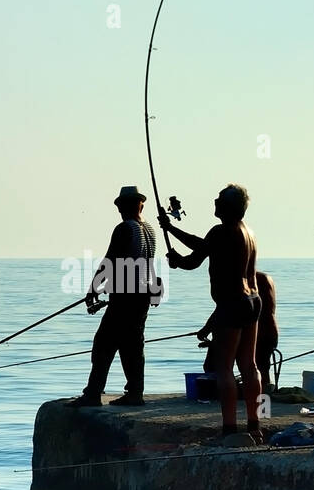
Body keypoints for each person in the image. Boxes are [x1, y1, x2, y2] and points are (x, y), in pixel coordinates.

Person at [160, 184, 262, 440]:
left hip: (233, 303)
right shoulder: (248, 232)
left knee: (224, 367)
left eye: (218, 199)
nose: (214, 201)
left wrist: (175, 251)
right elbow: (202, 249)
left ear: (227, 206)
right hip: (253, 300)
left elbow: (195, 258)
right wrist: (173, 237)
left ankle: (229, 429)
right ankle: (254, 425)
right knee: (249, 366)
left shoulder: (220, 231)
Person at [67, 185, 158, 407]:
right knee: (133, 345)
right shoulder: (150, 229)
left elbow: (110, 261)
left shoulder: (124, 229)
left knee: (103, 344)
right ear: (141, 204)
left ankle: (93, 393)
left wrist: (93, 288)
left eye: (122, 205)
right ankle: (135, 393)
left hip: (126, 296)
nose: (120, 210)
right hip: (143, 293)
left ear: (126, 206)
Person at [198, 269, 279, 398]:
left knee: (212, 364)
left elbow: (224, 309)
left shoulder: (242, 282)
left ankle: (225, 393)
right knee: (261, 368)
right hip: (270, 334)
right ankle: (263, 399)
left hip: (254, 334)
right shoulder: (265, 278)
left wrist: (207, 330)